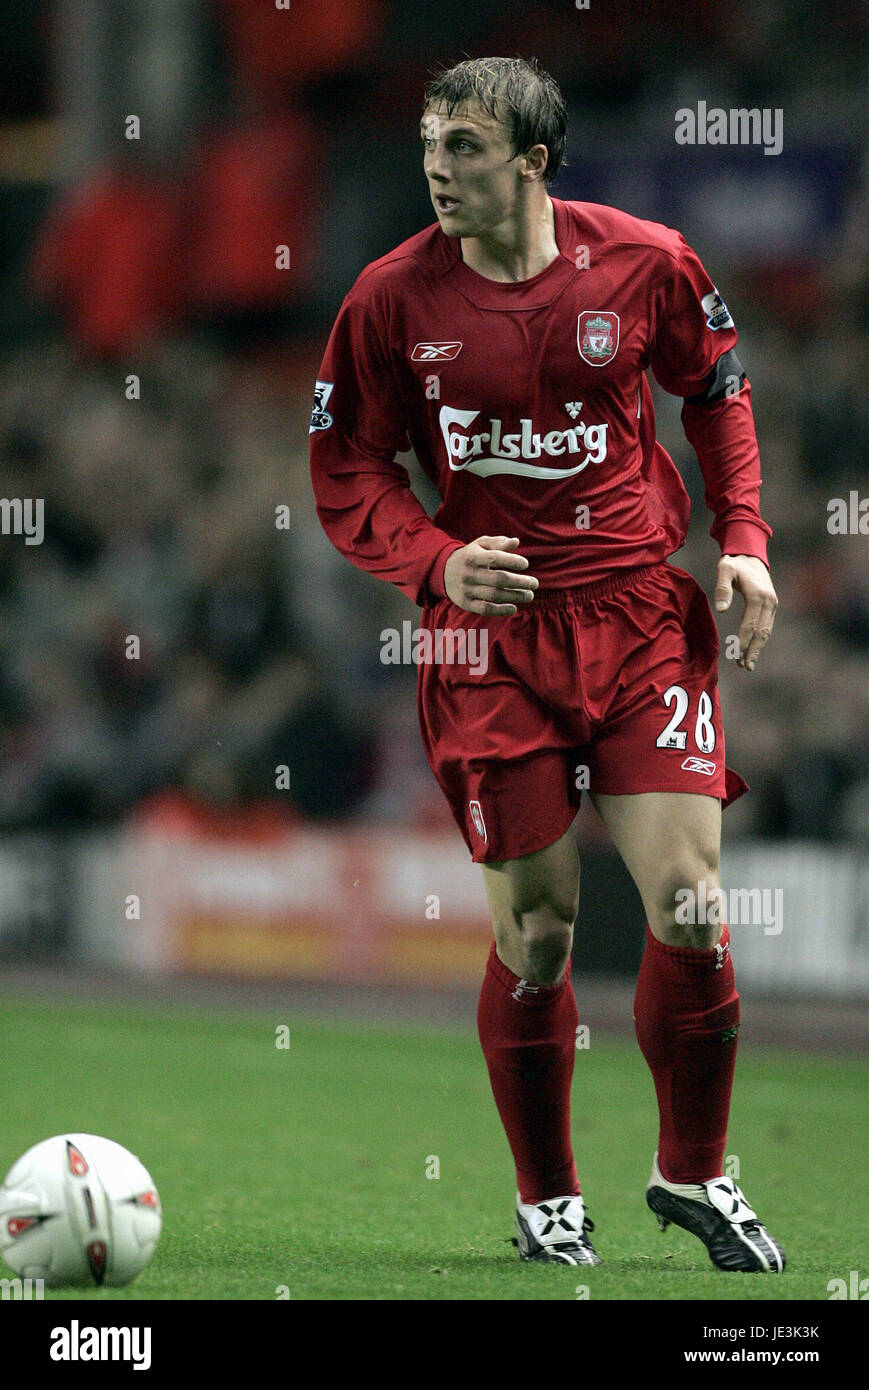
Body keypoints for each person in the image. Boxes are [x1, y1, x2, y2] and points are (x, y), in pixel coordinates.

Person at [309, 55, 784, 1272]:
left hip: (634, 615)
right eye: (427, 143)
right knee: (539, 932)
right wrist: (430, 560)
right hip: (490, 641)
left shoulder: (643, 259)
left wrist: (740, 541)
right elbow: (349, 465)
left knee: (688, 901)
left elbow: (716, 391)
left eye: (463, 147)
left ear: (530, 161)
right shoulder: (386, 301)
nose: (436, 166)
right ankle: (546, 1197)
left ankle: (693, 1174)